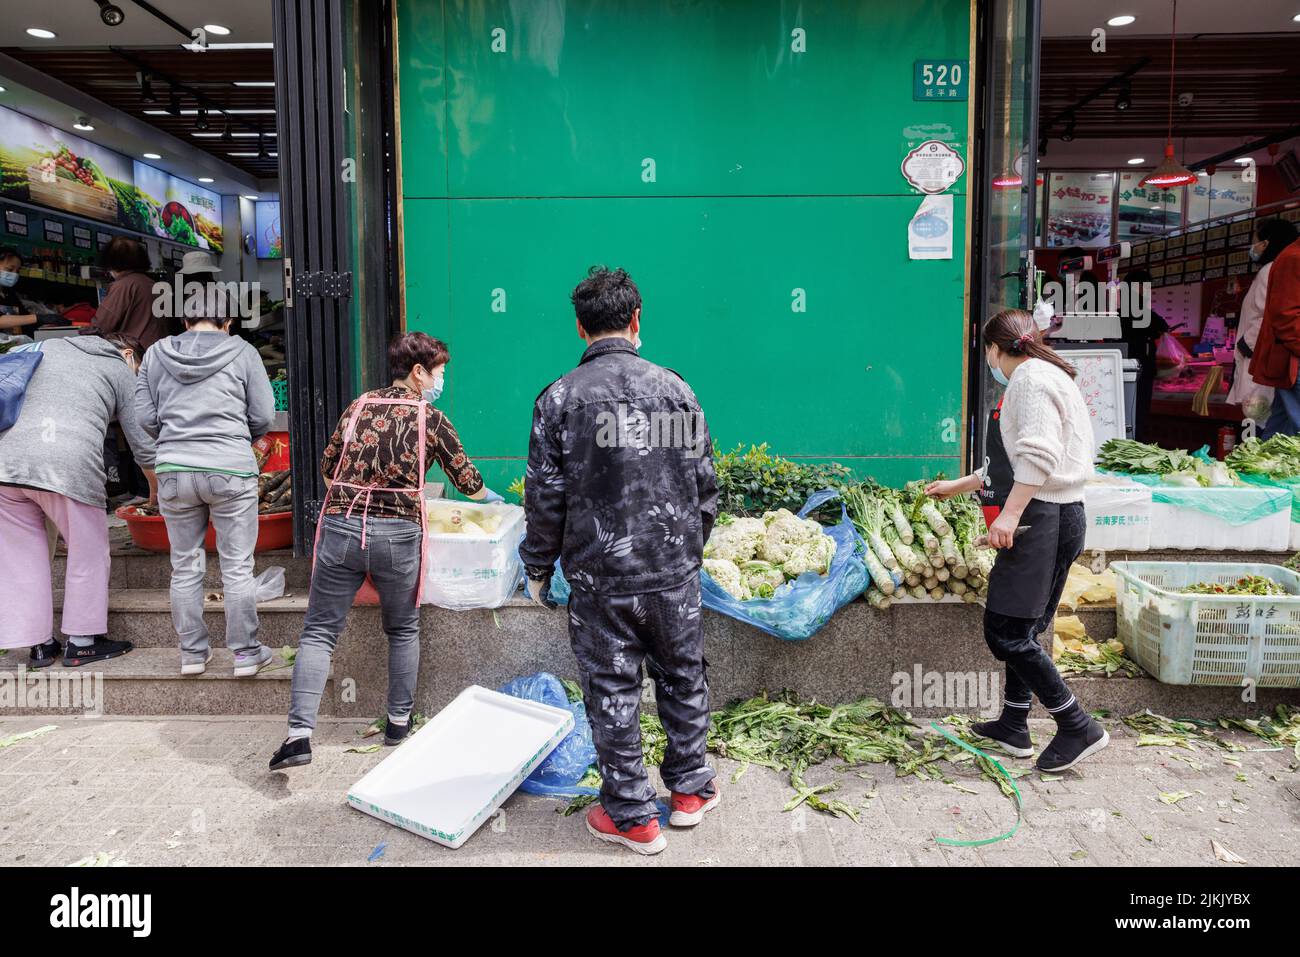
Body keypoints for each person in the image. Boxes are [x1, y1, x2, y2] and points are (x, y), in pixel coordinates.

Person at [519, 266, 720, 855]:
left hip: (600, 580)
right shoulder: (676, 390)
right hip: (673, 573)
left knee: (612, 689)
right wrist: (686, 549)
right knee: (683, 676)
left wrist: (537, 567)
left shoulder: (558, 398)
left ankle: (633, 817)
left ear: (580, 327)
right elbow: (705, 483)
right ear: (637, 320)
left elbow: (544, 496)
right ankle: (688, 792)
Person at [269, 332, 503, 770]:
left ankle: (299, 736)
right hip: (397, 537)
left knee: (319, 632)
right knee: (401, 629)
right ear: (419, 372)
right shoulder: (430, 419)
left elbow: (327, 467)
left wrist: (355, 504)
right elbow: (468, 483)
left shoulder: (358, 407)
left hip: (340, 529)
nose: (442, 379)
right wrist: (493, 499)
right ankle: (398, 723)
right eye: (440, 371)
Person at [926, 308, 1106, 773]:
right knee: (1024, 629)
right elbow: (1012, 464)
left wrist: (1008, 516)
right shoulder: (1051, 374)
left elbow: (1039, 457)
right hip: (1060, 515)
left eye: (986, 351)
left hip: (1041, 519)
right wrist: (958, 486)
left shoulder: (1027, 381)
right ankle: (1014, 722)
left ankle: (1076, 725)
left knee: (1005, 632)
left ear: (994, 348)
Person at [134, 291, 276, 677]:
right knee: (236, 567)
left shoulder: (157, 353)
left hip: (174, 470)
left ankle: (193, 654)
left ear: (184, 322)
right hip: (230, 468)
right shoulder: (242, 352)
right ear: (228, 322)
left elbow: (144, 416)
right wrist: (232, 437)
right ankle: (246, 654)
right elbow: (263, 414)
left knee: (184, 566)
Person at [0, 333, 155, 666]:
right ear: (129, 354)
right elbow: (143, 445)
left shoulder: (35, 347)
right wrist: (157, 496)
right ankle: (83, 642)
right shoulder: (116, 366)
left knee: (21, 555)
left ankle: (39, 645)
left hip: (5, 462)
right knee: (87, 549)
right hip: (66, 464)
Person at [1230, 220, 1299, 424]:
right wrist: (1247, 346)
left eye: (1255, 241)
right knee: (1281, 425)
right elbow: (1280, 316)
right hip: (1279, 358)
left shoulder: (1273, 267)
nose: (1253, 246)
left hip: (1276, 358)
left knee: (1279, 426)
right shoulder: (1285, 263)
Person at [1250, 228, 1300, 438]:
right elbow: (1285, 317)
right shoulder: (1294, 258)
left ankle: (1261, 469)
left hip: (1292, 359)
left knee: (1280, 432)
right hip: (1293, 360)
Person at [80, 237, 168, 351]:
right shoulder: (153, 284)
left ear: (111, 263)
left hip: (135, 356)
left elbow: (101, 326)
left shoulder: (123, 285)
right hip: (158, 354)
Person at [1118, 268, 1169, 441]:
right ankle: (1134, 443)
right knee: (1138, 411)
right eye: (1146, 286)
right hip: (1140, 368)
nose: (1149, 290)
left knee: (1125, 410)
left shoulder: (1120, 307)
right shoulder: (1137, 307)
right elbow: (1161, 325)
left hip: (1124, 366)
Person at [0, 247, 40, 337]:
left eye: (17, 271)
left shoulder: (8, 293)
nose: (14, 274)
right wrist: (37, 318)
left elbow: (24, 316)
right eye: (10, 269)